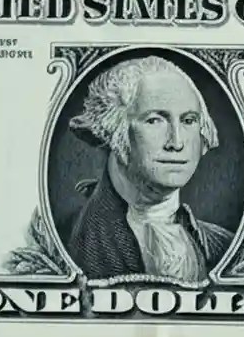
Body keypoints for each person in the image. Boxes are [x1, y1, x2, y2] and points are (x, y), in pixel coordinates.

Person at [61, 55, 234, 287]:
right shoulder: (67, 241)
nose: (177, 142)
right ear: (113, 129)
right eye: (155, 120)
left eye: (189, 120)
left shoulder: (227, 246)